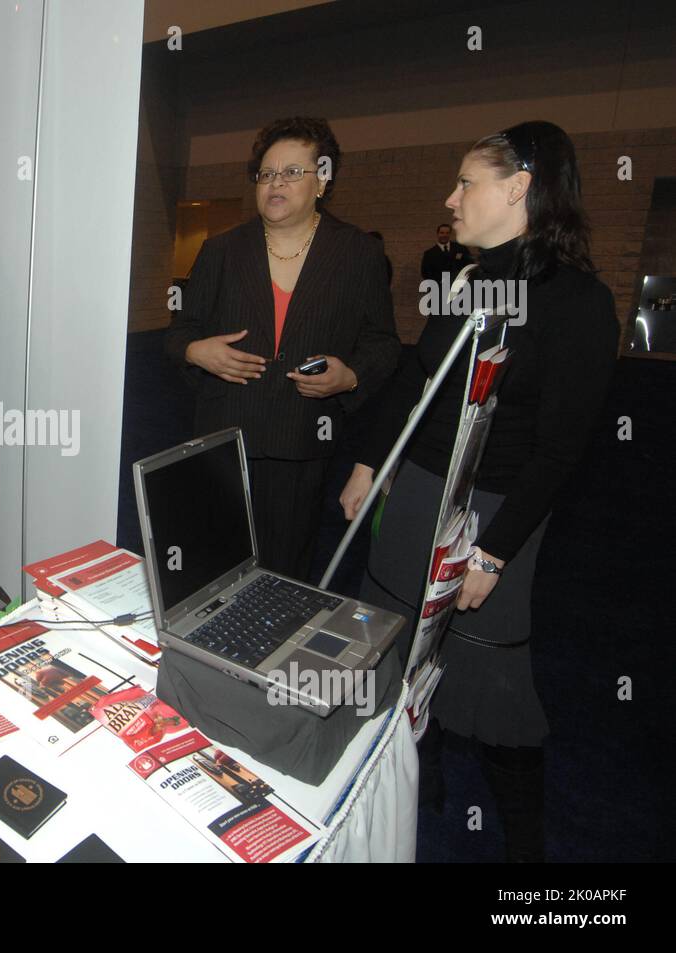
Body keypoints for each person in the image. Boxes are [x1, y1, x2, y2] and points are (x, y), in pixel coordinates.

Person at [339, 121, 619, 861]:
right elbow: (416, 380)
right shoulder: (467, 281)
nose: (450, 198)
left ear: (520, 188)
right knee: (392, 652)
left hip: (494, 515)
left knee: (492, 685)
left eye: (467, 182)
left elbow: (560, 451)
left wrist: (493, 552)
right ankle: (418, 788)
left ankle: (528, 856)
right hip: (416, 494)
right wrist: (369, 463)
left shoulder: (579, 302)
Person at [165, 117, 400, 579]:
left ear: (322, 180)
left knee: (284, 572)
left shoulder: (358, 254)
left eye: (292, 172)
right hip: (224, 436)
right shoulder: (221, 251)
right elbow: (178, 333)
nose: (276, 183)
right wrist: (196, 351)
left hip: (303, 437)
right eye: (267, 174)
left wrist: (350, 376)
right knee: (214, 566)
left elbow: (384, 343)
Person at [421, 223, 473, 289]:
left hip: (460, 287)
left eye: (447, 233)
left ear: (450, 234)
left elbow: (470, 265)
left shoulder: (461, 248)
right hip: (439, 289)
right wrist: (438, 284)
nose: (444, 235)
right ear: (437, 234)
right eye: (442, 233)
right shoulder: (429, 254)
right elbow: (425, 273)